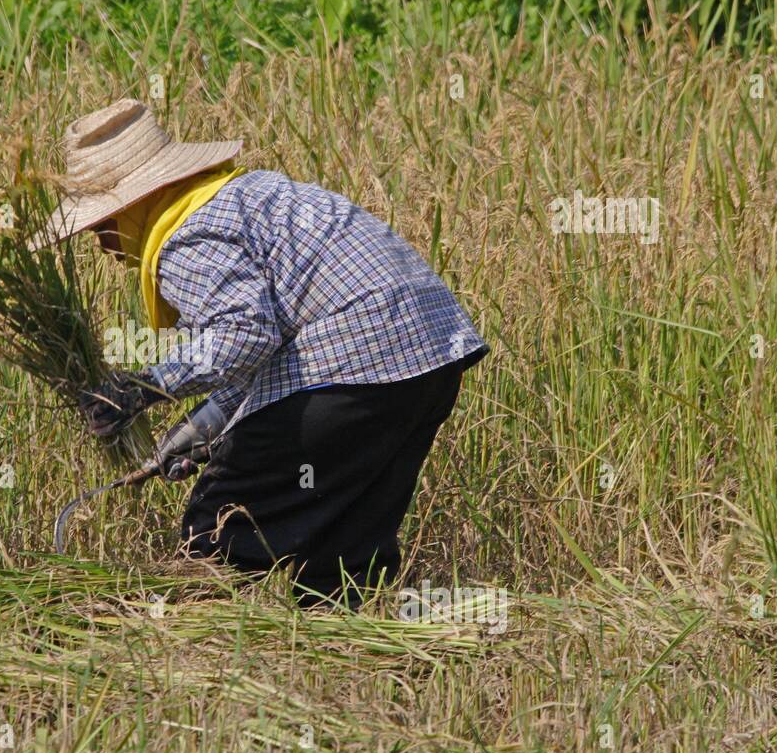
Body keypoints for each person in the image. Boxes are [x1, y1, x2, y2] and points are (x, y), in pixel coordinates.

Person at [34, 98, 488, 606]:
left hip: (356, 363)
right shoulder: (246, 197)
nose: (99, 241)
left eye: (101, 224)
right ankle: (340, 654)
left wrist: (141, 389)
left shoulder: (187, 234)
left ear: (138, 201)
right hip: (427, 359)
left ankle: (193, 647)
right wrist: (204, 427)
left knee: (221, 524)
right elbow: (274, 347)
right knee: (344, 542)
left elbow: (247, 335)